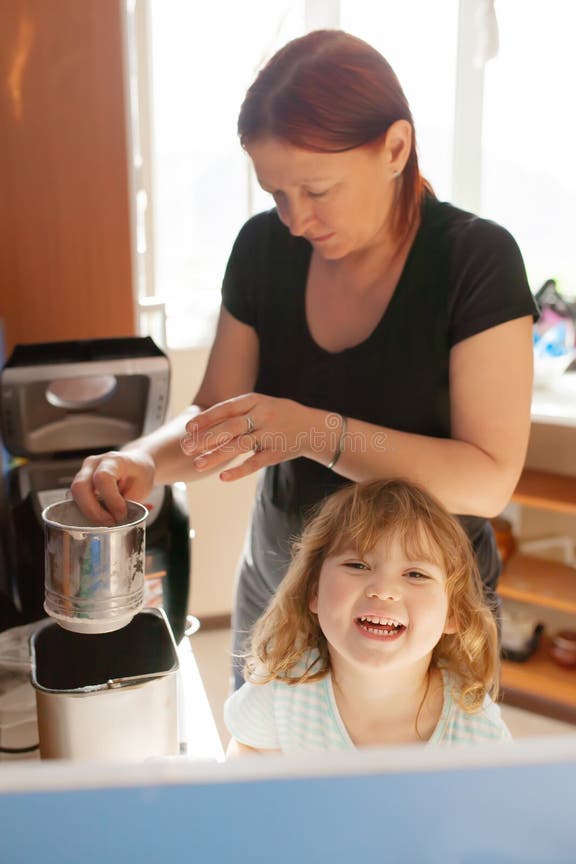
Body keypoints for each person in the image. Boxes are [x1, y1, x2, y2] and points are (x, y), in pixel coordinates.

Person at [71, 30, 538, 688]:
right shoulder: (264, 248)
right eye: (276, 195)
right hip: (284, 571)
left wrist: (314, 431)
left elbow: (487, 480)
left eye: (317, 191)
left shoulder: (474, 260)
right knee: (264, 759)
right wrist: (144, 459)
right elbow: (217, 414)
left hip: (418, 601)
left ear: (395, 149)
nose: (295, 220)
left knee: (404, 784)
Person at [225, 478, 511, 755]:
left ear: (453, 613)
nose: (384, 590)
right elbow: (246, 750)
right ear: (314, 592)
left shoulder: (476, 730)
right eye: (358, 565)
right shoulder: (281, 690)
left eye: (415, 574)